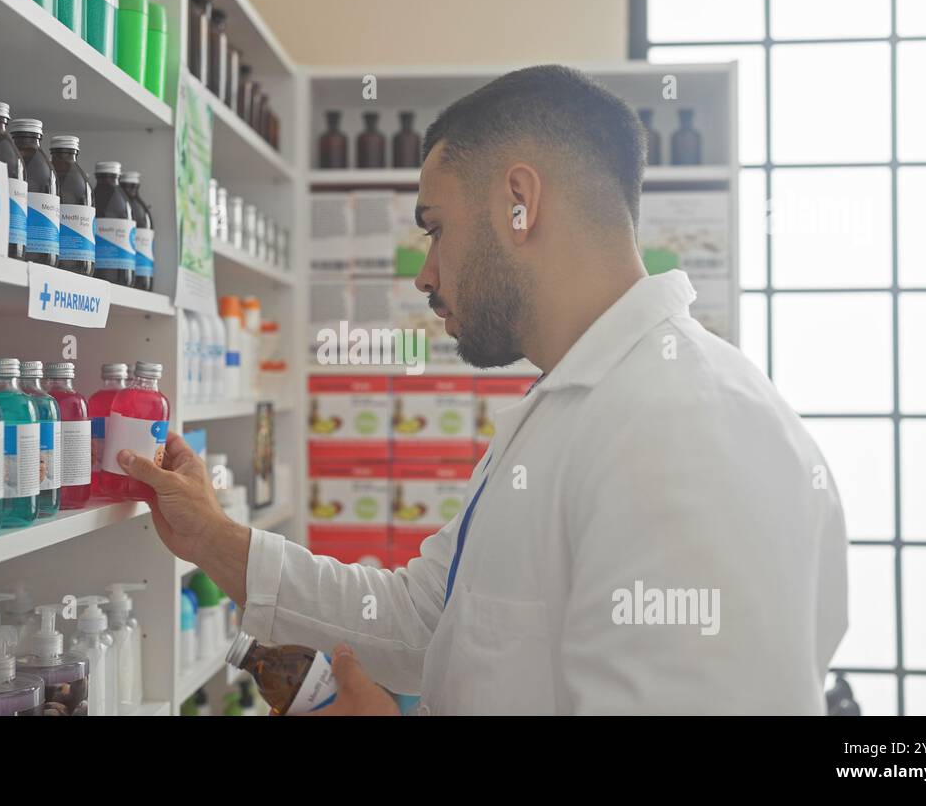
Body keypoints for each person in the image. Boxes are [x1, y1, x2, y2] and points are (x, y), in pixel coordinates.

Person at [117, 65, 848, 715]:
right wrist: (213, 539)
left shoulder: (689, 427)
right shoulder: (565, 409)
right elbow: (423, 619)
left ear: (520, 202)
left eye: (436, 230)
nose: (424, 274)